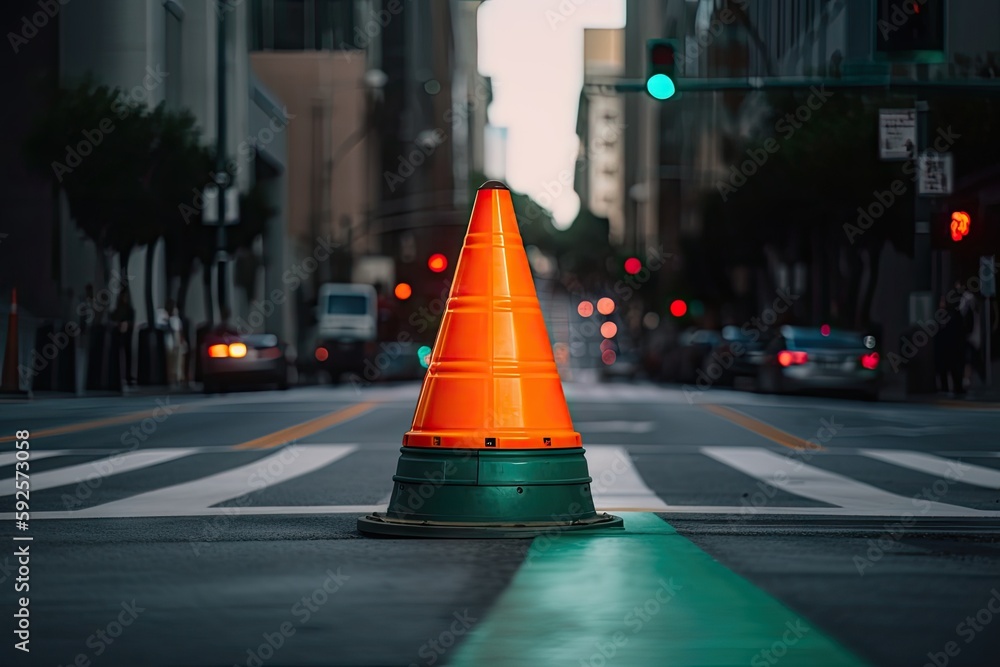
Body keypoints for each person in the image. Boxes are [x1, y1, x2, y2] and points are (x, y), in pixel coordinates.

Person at [112, 290, 136, 386]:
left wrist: (127, 324)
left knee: (128, 355)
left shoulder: (130, 310)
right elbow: (114, 319)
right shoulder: (118, 310)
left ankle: (128, 375)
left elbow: (131, 322)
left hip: (127, 336)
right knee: (119, 355)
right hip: (119, 336)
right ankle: (120, 375)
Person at [163, 299, 187, 388]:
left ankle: (177, 377)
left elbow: (179, 332)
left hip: (175, 343)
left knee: (177, 361)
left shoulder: (176, 320)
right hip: (169, 343)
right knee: (170, 361)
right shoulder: (163, 319)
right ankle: (171, 378)